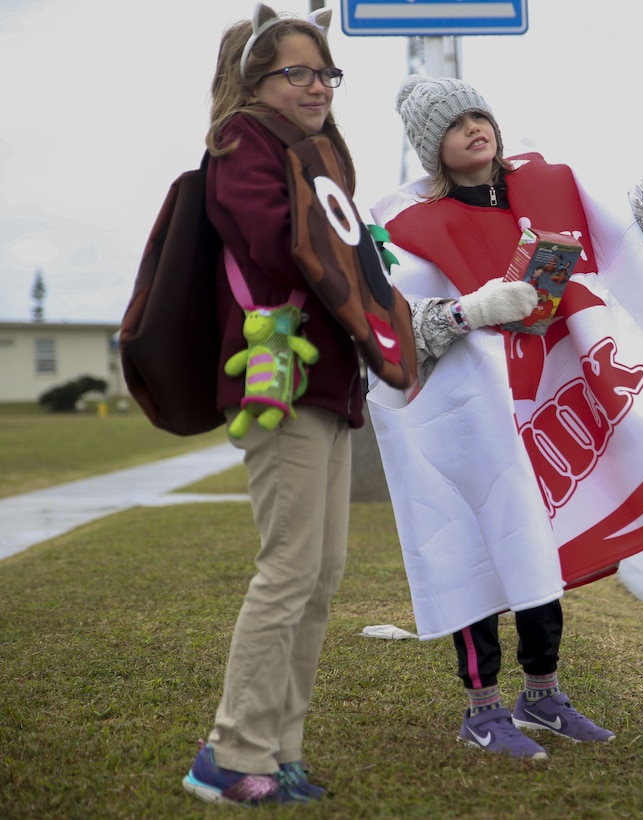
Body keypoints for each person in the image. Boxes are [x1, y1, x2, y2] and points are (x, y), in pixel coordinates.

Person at [367, 75, 643, 761]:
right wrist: (471, 310)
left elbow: (631, 231)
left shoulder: (547, 186)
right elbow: (394, 331)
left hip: (551, 402)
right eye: (453, 123)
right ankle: (480, 707)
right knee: (483, 548)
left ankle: (542, 693)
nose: (472, 127)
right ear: (432, 150)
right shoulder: (405, 229)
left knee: (541, 547)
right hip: (471, 417)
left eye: (477, 113)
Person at [180, 4, 362, 804]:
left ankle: (278, 749)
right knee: (288, 569)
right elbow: (276, 238)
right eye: (300, 71)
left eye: (326, 72)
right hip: (276, 378)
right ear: (258, 79)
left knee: (321, 574)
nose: (318, 84)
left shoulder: (315, 150)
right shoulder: (242, 142)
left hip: (328, 381)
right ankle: (229, 753)